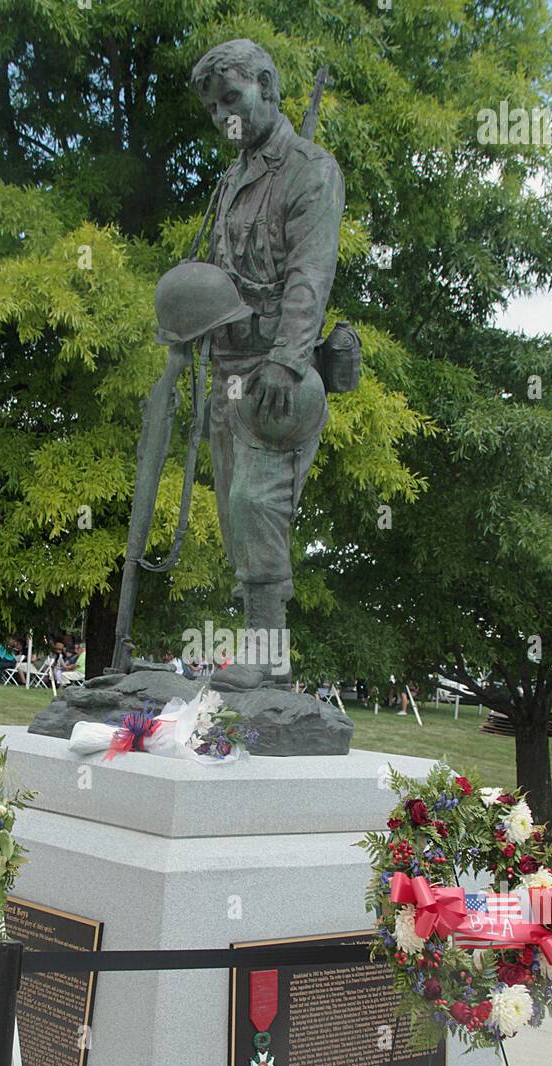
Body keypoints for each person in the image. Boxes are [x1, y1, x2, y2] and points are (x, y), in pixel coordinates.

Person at [190, 40, 344, 687]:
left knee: (256, 500)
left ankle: (267, 663)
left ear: (268, 87)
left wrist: (287, 357)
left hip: (277, 373)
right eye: (214, 109)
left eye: (231, 99)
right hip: (226, 372)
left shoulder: (311, 168)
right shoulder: (231, 181)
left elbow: (310, 275)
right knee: (236, 518)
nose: (225, 117)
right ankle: (260, 655)